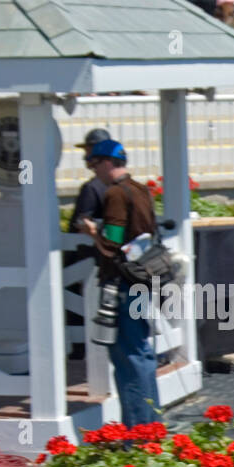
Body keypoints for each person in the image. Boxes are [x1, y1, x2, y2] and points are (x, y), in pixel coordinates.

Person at [90, 139, 161, 428]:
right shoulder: (141, 189)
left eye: (93, 164)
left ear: (107, 162)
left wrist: (93, 231)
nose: (92, 171)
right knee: (142, 352)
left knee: (127, 356)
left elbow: (113, 242)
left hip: (123, 282)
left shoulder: (116, 194)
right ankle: (151, 425)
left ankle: (136, 433)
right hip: (143, 278)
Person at [70, 128, 113, 237]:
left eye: (88, 151)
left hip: (91, 250)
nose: (85, 157)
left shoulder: (91, 188)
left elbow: (82, 227)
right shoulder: (122, 185)